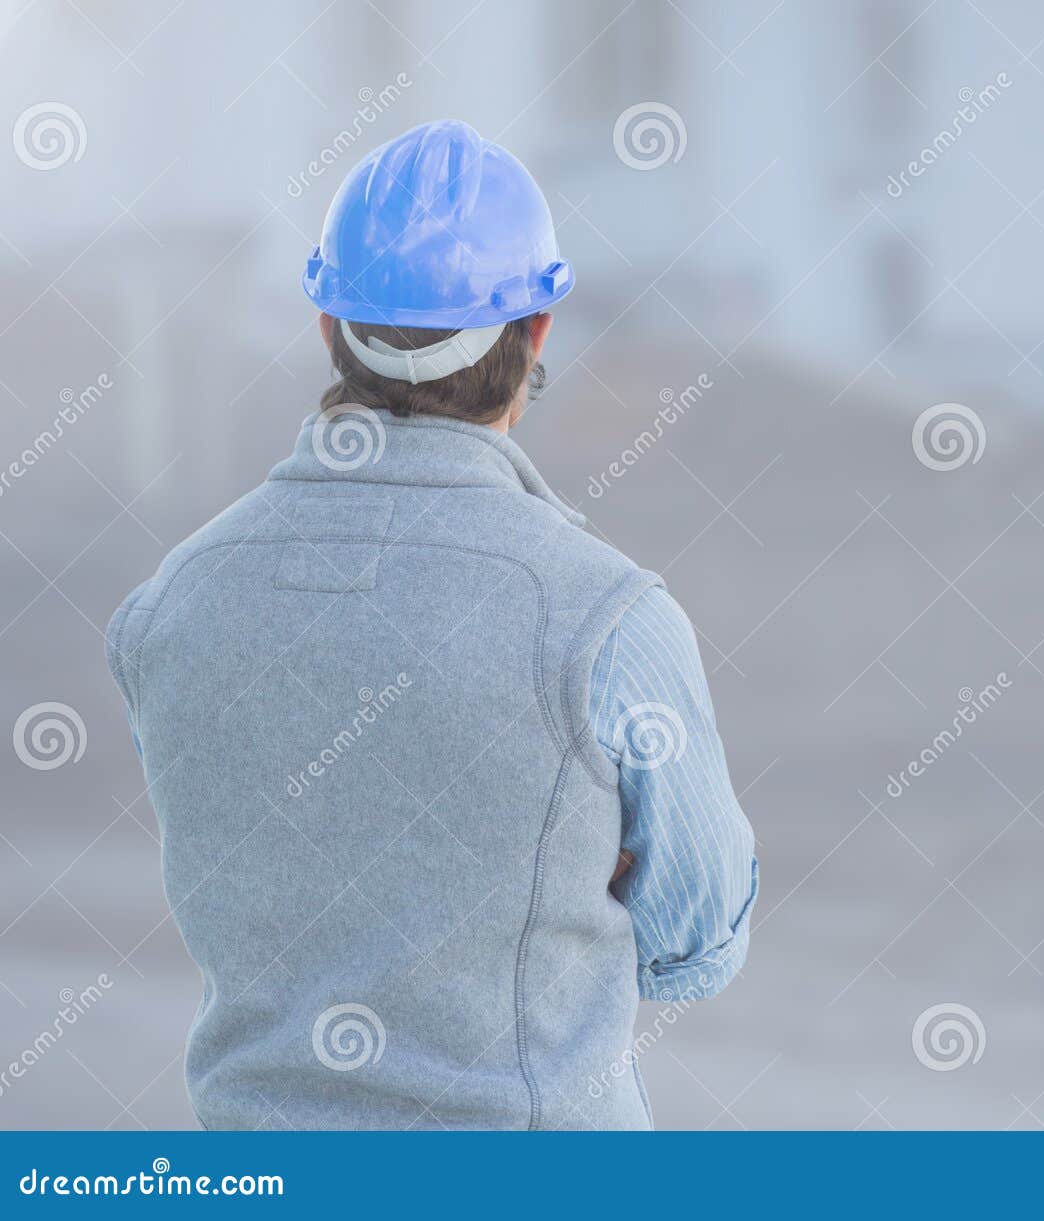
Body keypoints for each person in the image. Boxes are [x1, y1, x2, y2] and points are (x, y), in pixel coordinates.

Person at [104, 119, 757, 1130]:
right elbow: (696, 945)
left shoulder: (171, 607)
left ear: (327, 325)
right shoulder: (609, 621)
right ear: (537, 331)